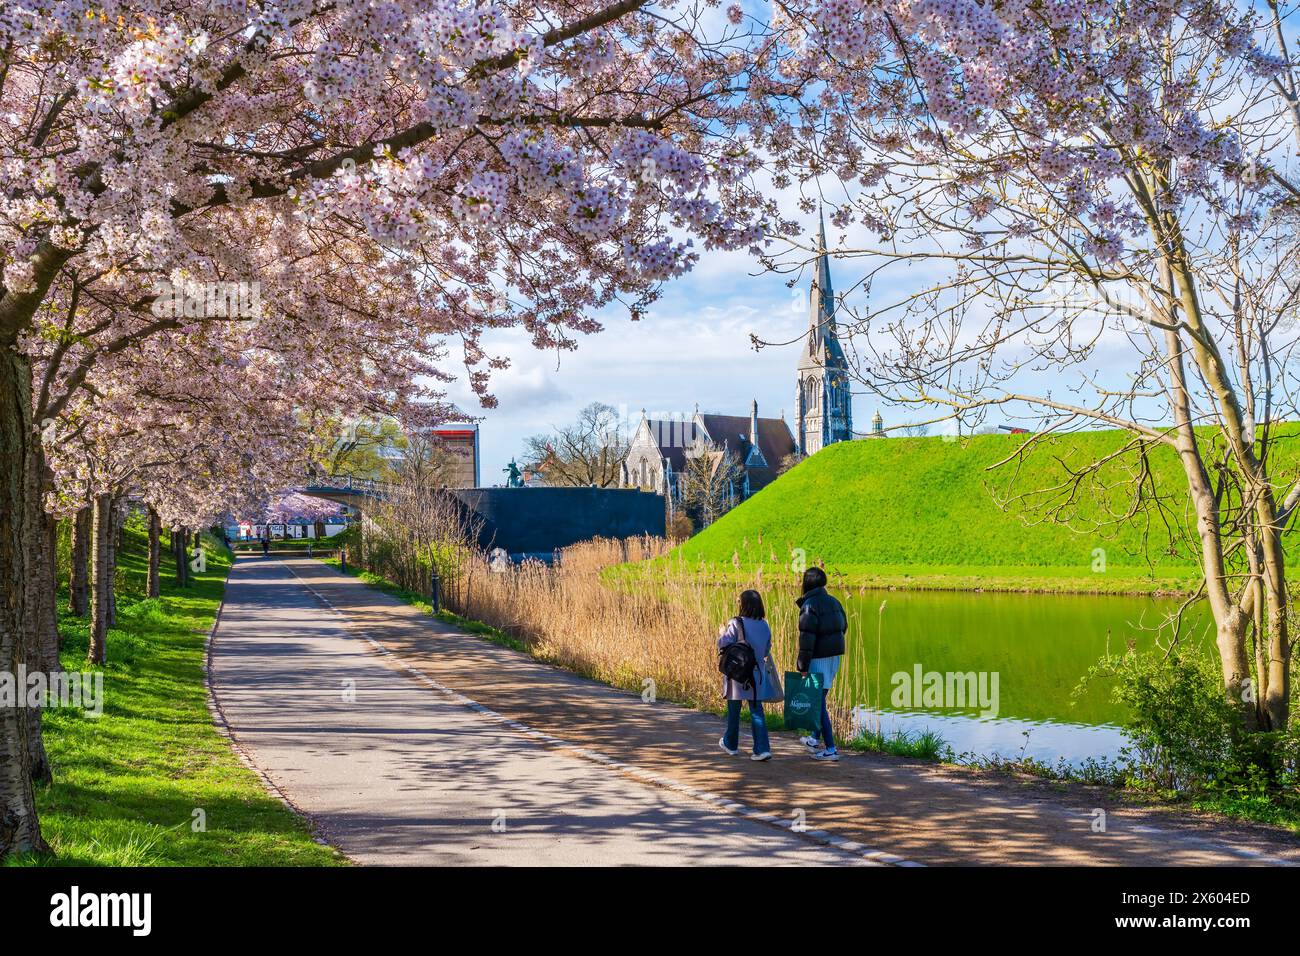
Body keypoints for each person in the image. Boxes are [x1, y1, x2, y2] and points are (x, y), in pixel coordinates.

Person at [716, 589, 776, 761]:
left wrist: (721, 633)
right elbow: (766, 650)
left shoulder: (736, 623)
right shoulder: (765, 625)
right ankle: (762, 748)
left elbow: (723, 643)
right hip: (757, 674)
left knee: (734, 710)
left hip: (737, 674)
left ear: (743, 605)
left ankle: (731, 744)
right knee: (757, 711)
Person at [796, 567, 846, 761]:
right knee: (820, 697)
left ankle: (831, 748)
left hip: (818, 658)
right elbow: (844, 626)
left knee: (817, 702)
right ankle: (814, 738)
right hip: (834, 656)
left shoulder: (809, 605)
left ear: (806, 583)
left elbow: (806, 639)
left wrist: (803, 666)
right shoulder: (834, 601)